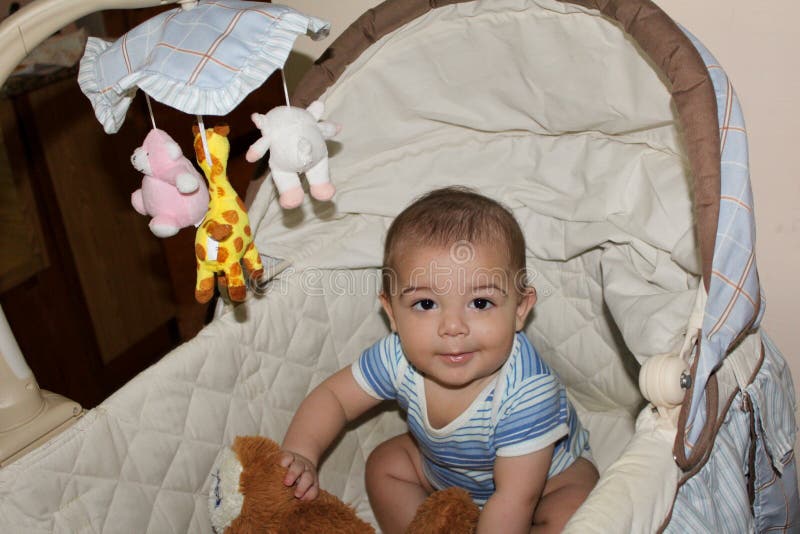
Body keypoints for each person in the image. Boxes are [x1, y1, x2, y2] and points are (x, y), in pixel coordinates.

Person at [280, 186, 598, 533]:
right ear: (392, 313)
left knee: (576, 508)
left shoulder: (528, 393)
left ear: (520, 309)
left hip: (541, 486)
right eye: (426, 304)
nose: (452, 327)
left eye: (480, 303)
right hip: (441, 471)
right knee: (384, 465)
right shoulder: (396, 356)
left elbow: (513, 499)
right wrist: (301, 453)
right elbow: (335, 398)